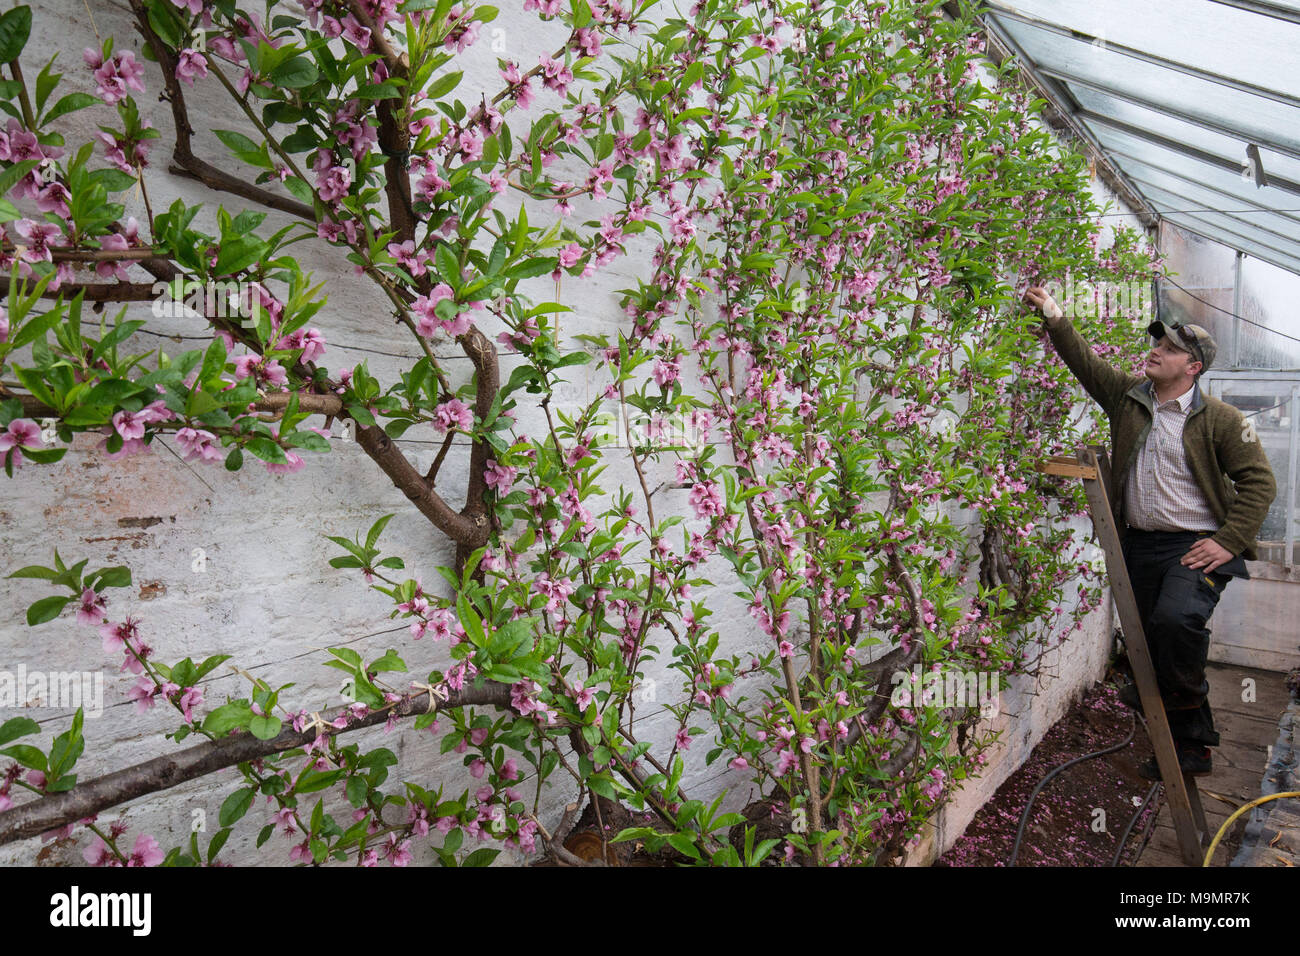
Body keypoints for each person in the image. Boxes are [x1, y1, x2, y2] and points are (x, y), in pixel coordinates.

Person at [1022, 285, 1276, 777]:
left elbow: (1259, 482)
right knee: (1149, 638)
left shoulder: (1221, 420)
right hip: (1138, 544)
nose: (1156, 351)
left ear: (1193, 367)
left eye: (1170, 348)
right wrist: (1054, 315)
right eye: (1157, 343)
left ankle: (1187, 730)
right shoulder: (1127, 399)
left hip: (1194, 546)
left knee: (1176, 622)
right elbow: (1085, 363)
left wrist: (1226, 541)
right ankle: (1189, 748)